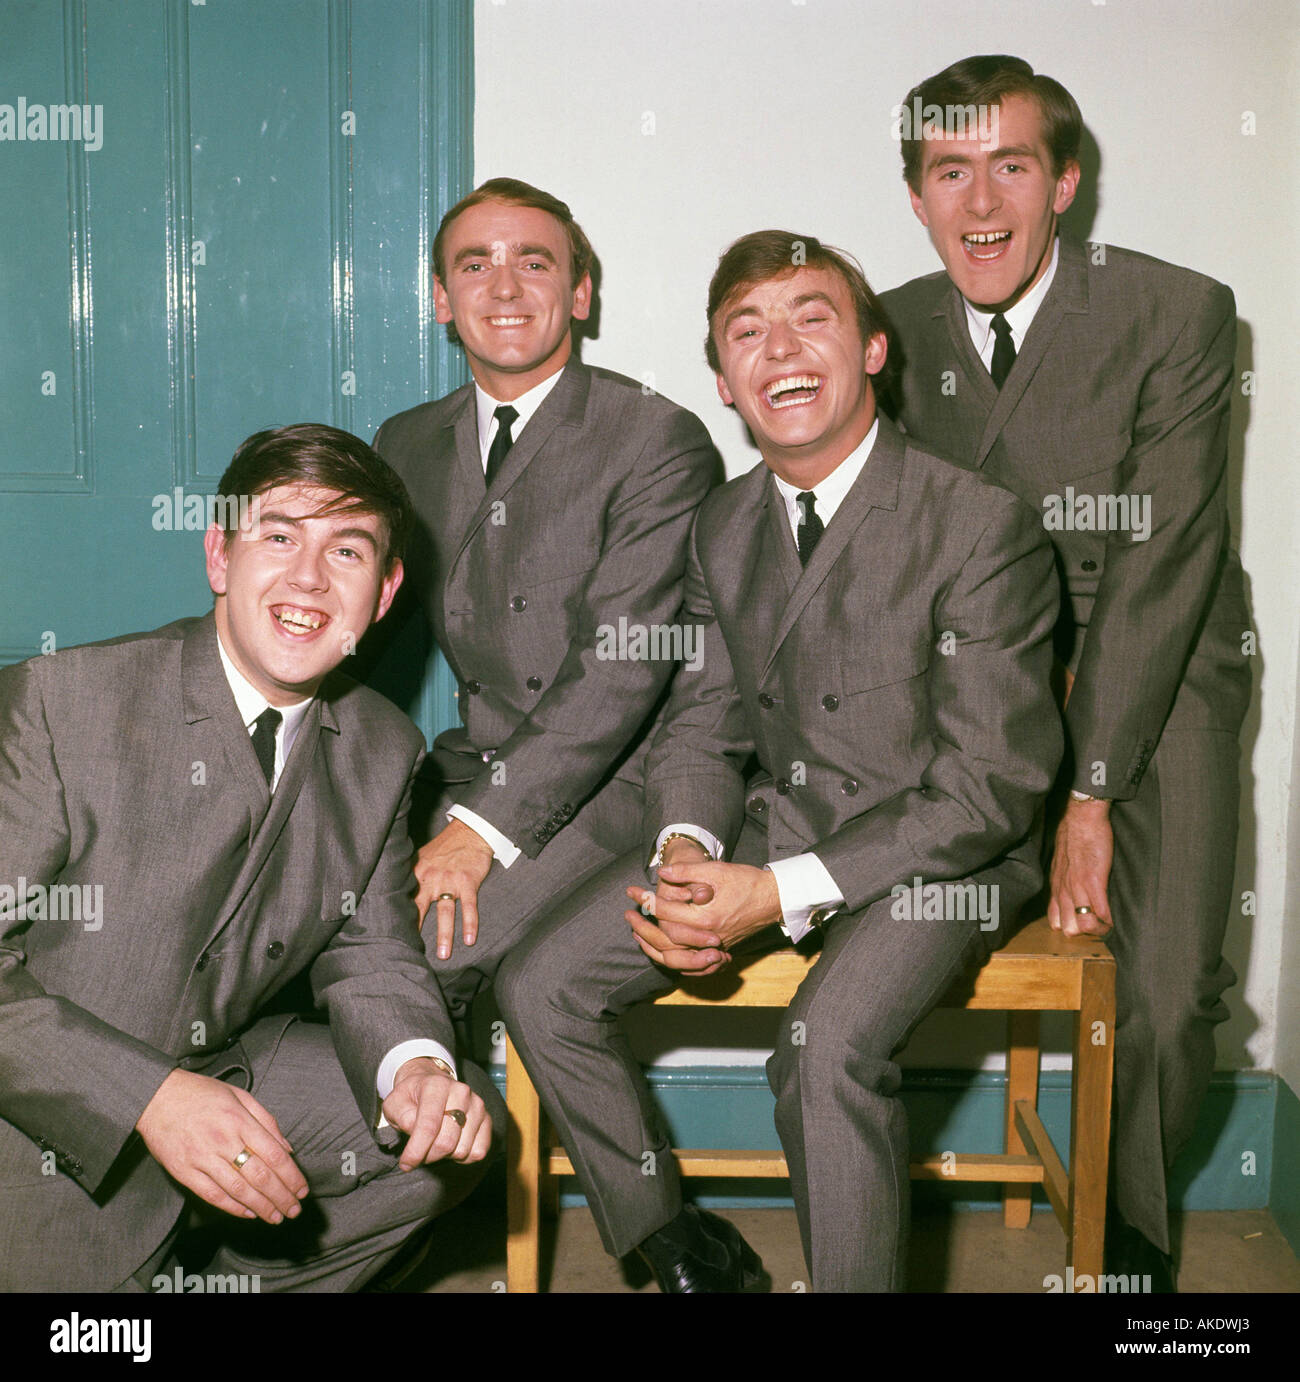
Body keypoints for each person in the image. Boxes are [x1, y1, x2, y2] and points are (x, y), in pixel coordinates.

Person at [494, 231, 1062, 1292]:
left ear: (874, 348)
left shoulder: (980, 524)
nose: (779, 349)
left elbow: (990, 788)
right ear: (722, 378)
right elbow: (707, 721)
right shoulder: (720, 522)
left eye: (812, 317)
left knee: (823, 1044)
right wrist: (683, 849)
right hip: (785, 821)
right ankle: (674, 1243)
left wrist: (774, 892)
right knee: (539, 982)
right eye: (746, 331)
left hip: (949, 856)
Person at [880, 55, 1251, 1290]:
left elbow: (1163, 565)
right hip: (974, 675)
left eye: (1012, 165)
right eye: (949, 171)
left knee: (1170, 983)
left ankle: (1126, 1236)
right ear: (918, 196)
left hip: (1160, 652)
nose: (980, 200)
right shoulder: (882, 330)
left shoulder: (1178, 312)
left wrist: (1086, 795)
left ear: (1065, 184)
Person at [0, 424, 497, 1292]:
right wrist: (147, 1096)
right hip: (37, 1110)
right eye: (278, 537)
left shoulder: (383, 745)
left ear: (383, 596)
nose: (308, 579)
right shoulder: (62, 702)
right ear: (219, 558)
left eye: (346, 550)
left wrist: (416, 1066)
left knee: (437, 1139)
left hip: (224, 1064)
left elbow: (370, 950)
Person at [372, 178, 717, 1016]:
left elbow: (618, 671)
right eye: (475, 264)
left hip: (609, 790)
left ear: (580, 292)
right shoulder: (404, 441)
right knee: (300, 931)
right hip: (465, 768)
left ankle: (416, 1145)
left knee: (421, 966)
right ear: (441, 299)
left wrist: (475, 834)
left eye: (534, 262)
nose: (505, 286)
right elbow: (359, 640)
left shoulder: (655, 437)